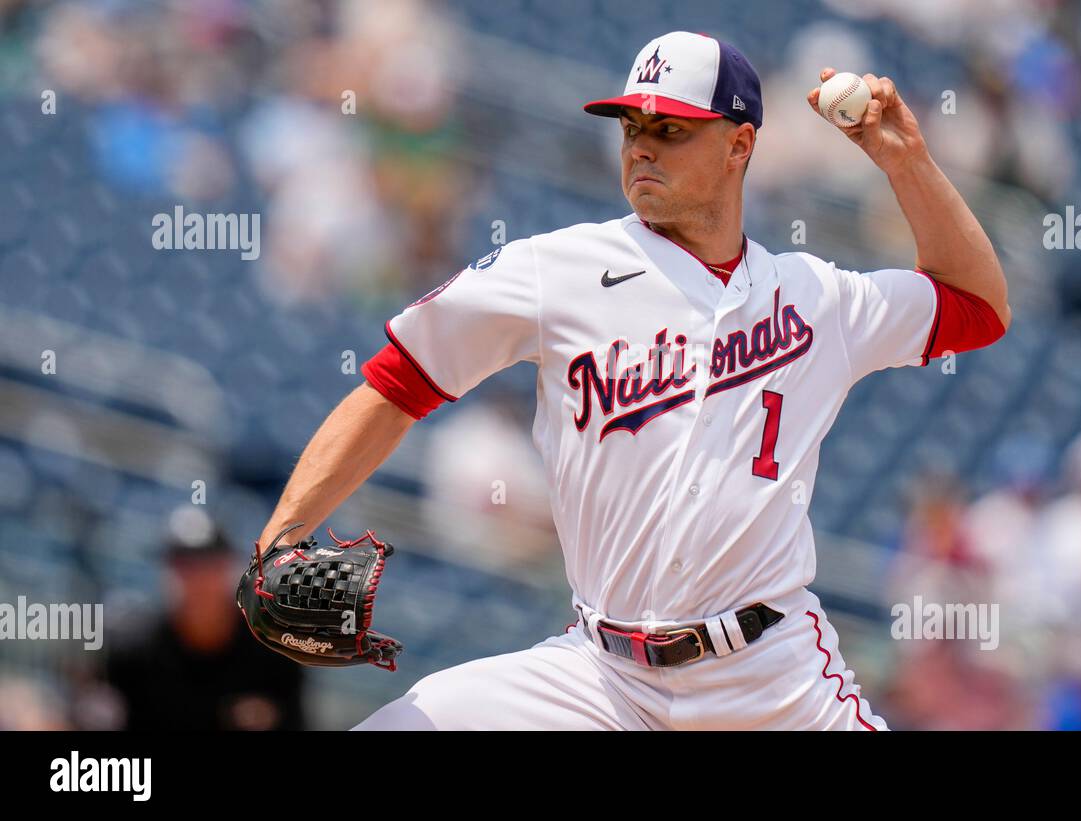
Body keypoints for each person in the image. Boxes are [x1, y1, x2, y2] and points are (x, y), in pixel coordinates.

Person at [253, 31, 1010, 730]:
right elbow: (395, 385)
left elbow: (978, 307)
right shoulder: (555, 272)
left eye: (670, 130)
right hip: (597, 679)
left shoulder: (817, 298)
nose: (642, 148)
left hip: (772, 683)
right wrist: (282, 534)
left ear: (740, 145)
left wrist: (906, 160)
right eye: (632, 128)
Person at [100, 508, 305, 731]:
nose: (198, 579)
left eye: (209, 564)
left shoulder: (272, 646)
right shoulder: (134, 648)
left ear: (229, 567)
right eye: (186, 566)